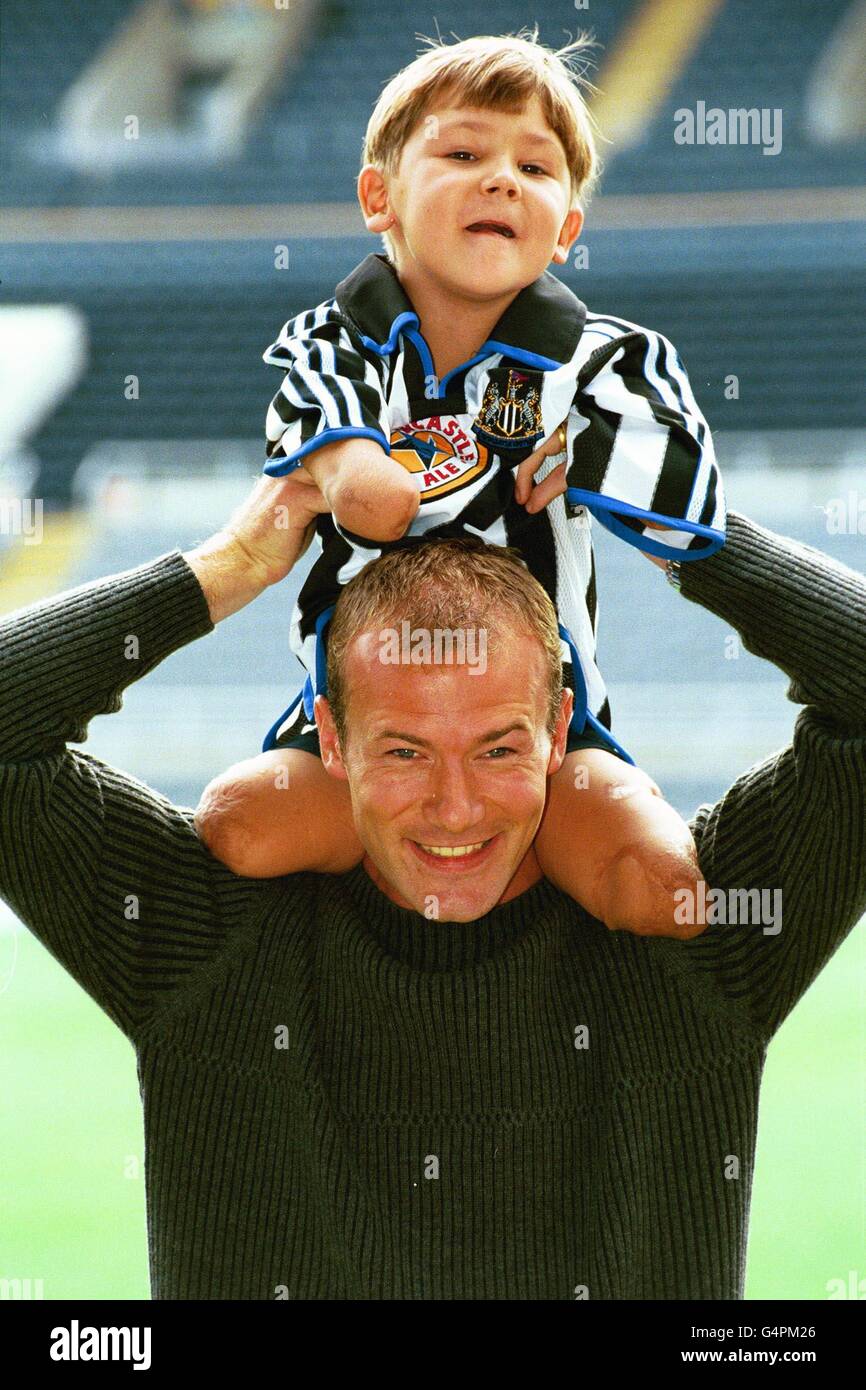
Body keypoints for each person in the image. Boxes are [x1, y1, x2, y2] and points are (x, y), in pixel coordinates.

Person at [0, 465, 862, 1299]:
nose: (455, 811)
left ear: (561, 729)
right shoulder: (201, 936)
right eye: (405, 752)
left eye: (498, 749)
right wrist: (231, 564)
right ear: (328, 740)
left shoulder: (694, 931)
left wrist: (685, 526)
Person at [193, 30, 725, 935]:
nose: (502, 179)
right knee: (239, 830)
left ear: (566, 229)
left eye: (536, 166)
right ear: (379, 196)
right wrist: (362, 466)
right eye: (464, 153)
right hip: (355, 737)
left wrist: (589, 451)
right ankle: (420, 847)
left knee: (661, 891)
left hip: (554, 743)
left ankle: (515, 844)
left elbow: (694, 513)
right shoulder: (332, 345)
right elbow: (358, 485)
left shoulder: (607, 360)